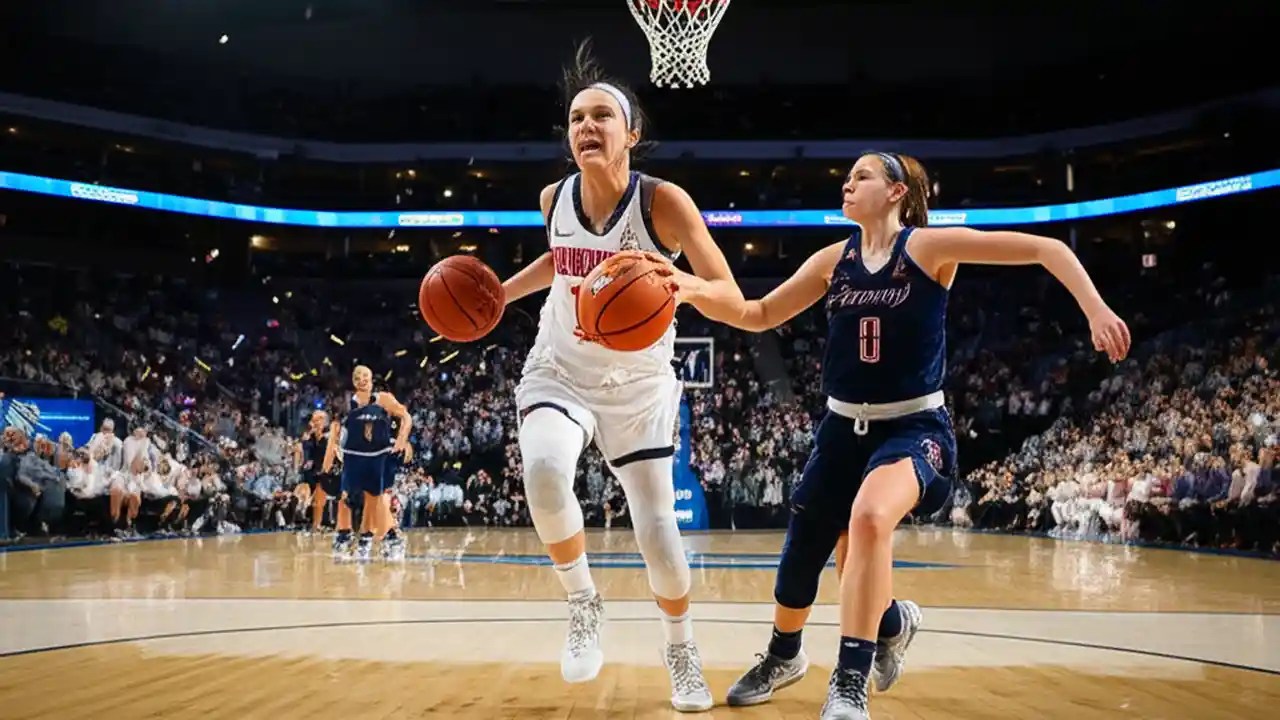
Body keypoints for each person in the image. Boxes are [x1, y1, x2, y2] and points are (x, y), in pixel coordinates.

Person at [649, 151, 1131, 719]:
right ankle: (808, 648)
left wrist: (1095, 309)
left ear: (897, 191)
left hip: (913, 425)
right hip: (840, 427)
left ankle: (849, 684)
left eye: (861, 177)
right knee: (807, 547)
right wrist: (690, 288)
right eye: (847, 178)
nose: (847, 185)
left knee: (871, 518)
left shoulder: (927, 249)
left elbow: (1046, 248)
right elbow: (757, 314)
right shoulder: (834, 259)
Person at [497, 40, 743, 712]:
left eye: (601, 116)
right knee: (544, 472)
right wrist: (500, 292)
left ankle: (681, 649)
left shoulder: (664, 204)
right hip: (560, 367)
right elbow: (561, 260)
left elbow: (727, 290)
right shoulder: (554, 197)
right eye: (576, 118)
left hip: (638, 386)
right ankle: (583, 601)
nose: (585, 127)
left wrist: (677, 282)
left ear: (631, 133)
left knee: (659, 537)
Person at [324, 366, 412, 561]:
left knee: (377, 498)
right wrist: (330, 459)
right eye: (357, 376)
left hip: (379, 456)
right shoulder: (346, 403)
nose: (361, 379)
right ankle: (345, 536)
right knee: (346, 498)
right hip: (353, 455)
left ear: (371, 378)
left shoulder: (384, 399)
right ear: (353, 381)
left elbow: (406, 417)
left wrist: (402, 439)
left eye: (365, 376)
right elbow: (336, 431)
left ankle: (383, 538)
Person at [295, 410, 339, 534]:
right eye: (312, 420)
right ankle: (316, 525)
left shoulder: (328, 438)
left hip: (332, 473)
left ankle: (339, 527)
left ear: (323, 422)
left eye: (316, 420)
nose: (312, 423)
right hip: (318, 473)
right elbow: (310, 452)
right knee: (317, 501)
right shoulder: (313, 437)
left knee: (332, 499)